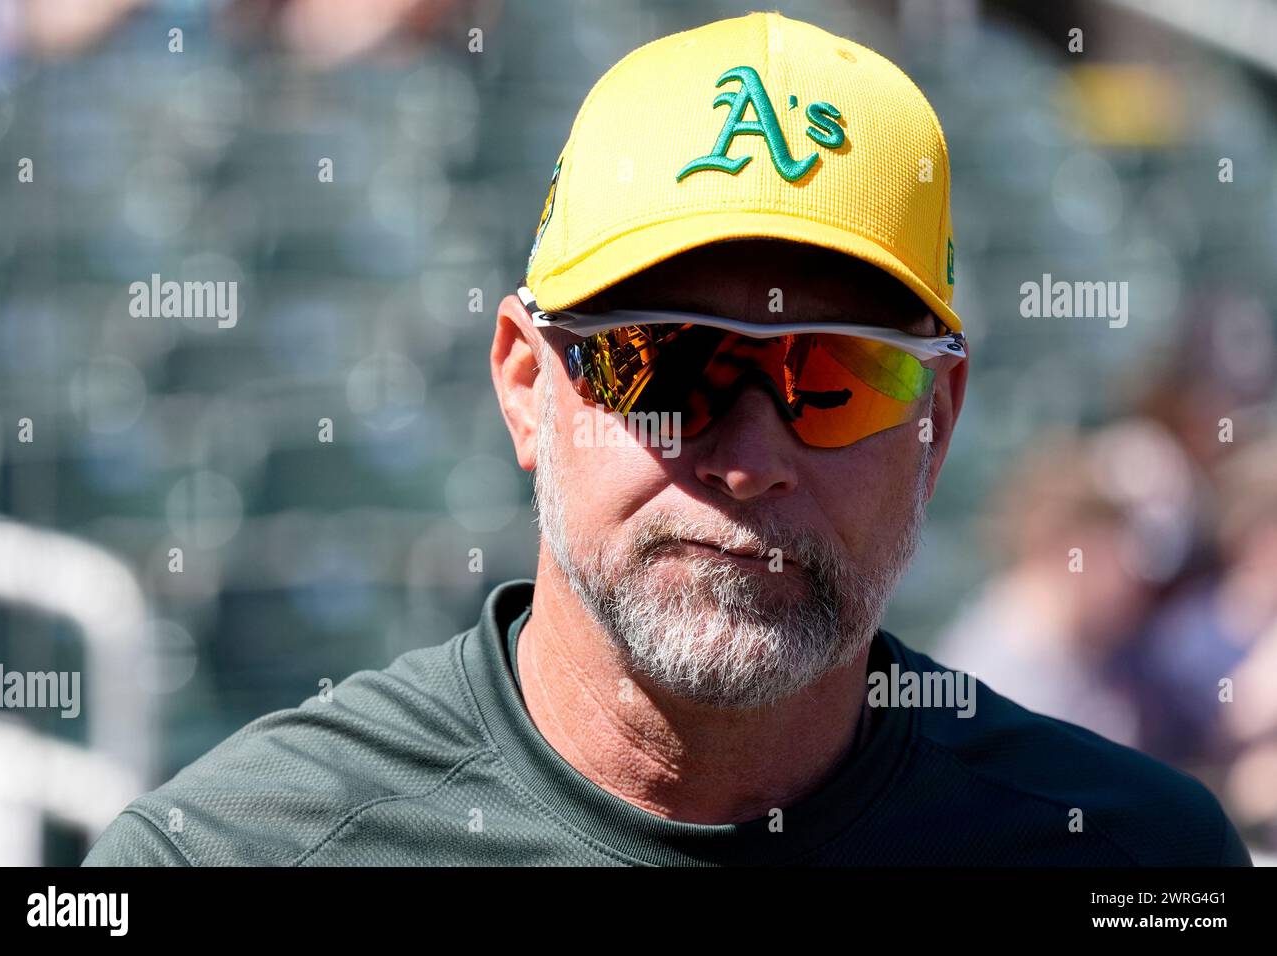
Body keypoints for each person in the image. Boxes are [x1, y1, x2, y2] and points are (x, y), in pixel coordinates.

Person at [83, 11, 1250, 866]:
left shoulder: (1133, 860)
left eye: (832, 373)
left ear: (934, 426)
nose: (749, 457)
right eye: (663, 364)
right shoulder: (233, 852)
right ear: (526, 383)